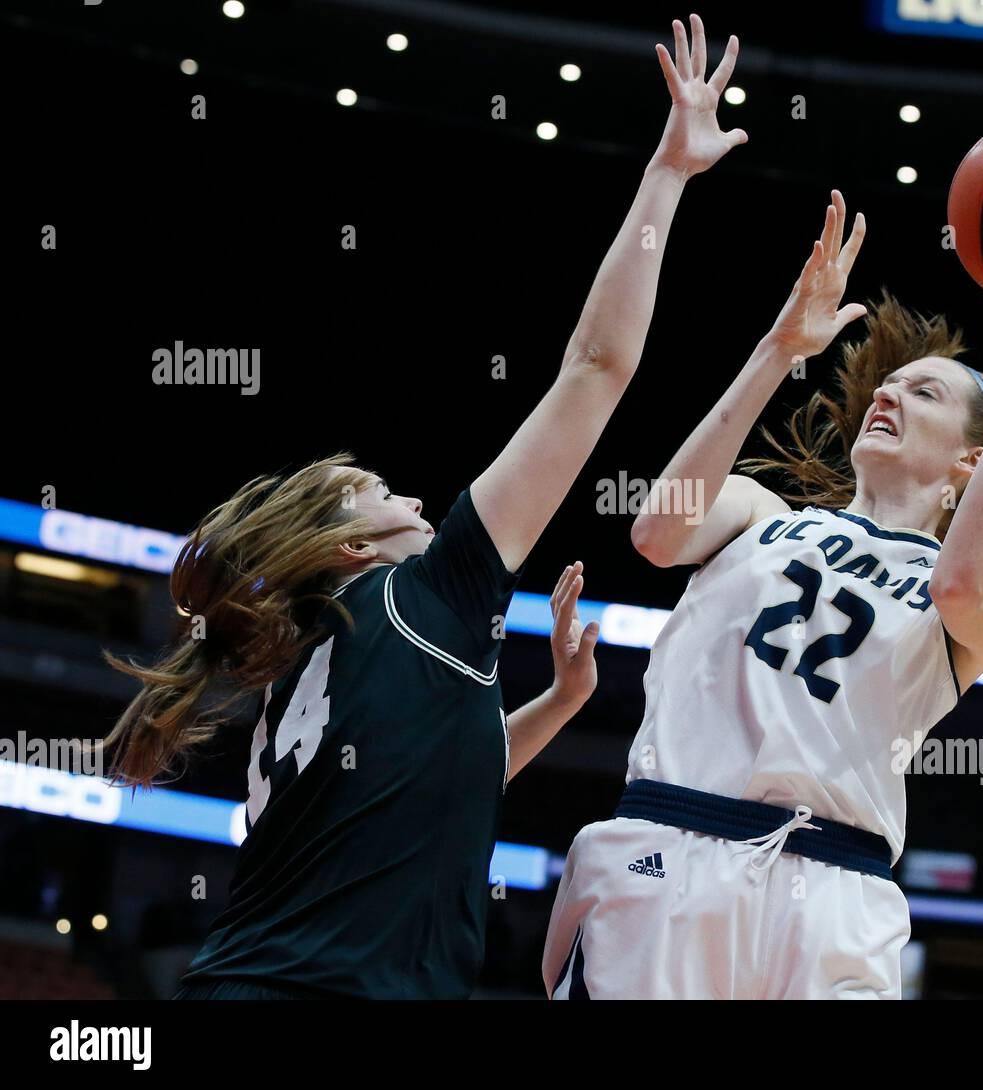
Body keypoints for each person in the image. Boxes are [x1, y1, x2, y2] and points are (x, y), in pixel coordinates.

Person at [102, 13, 750, 999]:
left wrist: (559, 703)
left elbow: (431, 784)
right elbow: (596, 366)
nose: (411, 495)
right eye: (377, 492)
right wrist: (667, 174)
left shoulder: (316, 655)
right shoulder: (419, 595)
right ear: (350, 545)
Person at [542, 190, 983, 998]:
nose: (886, 395)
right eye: (888, 386)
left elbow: (959, 582)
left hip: (838, 887)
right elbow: (656, 531)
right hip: (673, 843)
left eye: (923, 393)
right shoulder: (761, 514)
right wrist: (777, 349)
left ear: (972, 461)